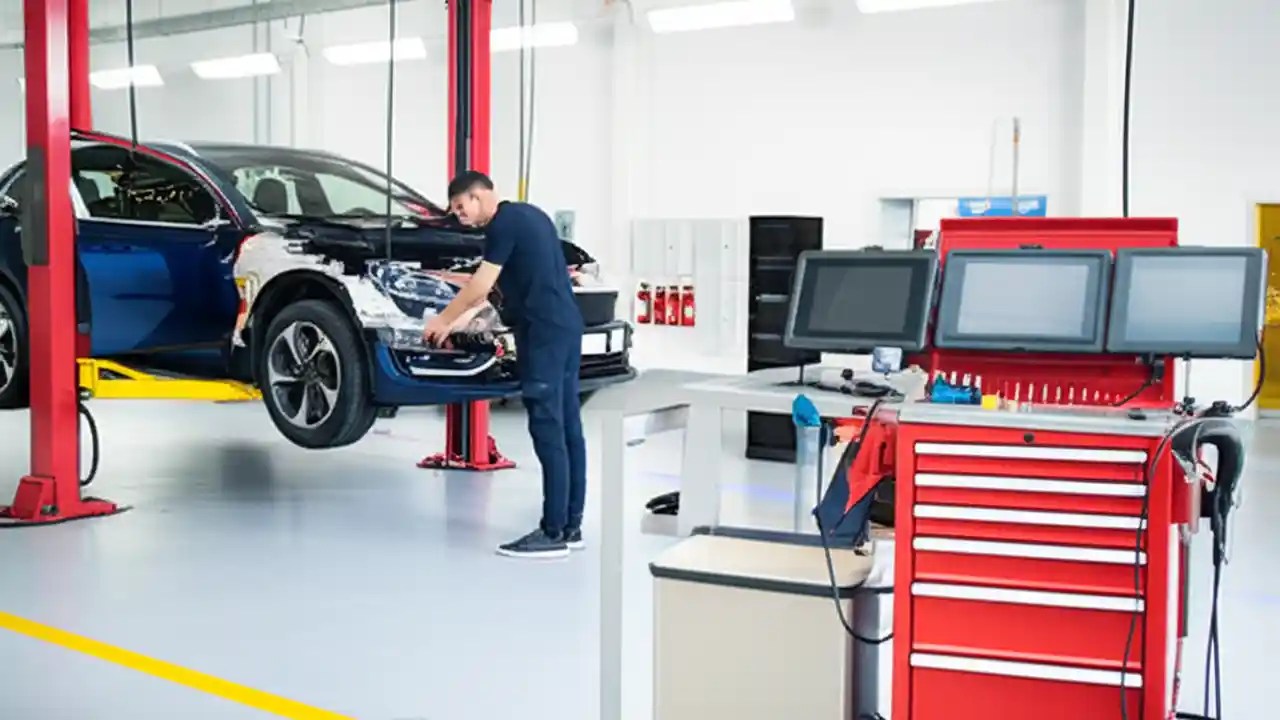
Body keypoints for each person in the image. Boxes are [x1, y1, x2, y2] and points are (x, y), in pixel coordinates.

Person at [422, 171, 587, 559]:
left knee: (547, 427)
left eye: (460, 207)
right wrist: (465, 318)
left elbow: (479, 286)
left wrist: (443, 320)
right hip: (565, 326)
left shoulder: (502, 225)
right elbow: (507, 283)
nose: (460, 216)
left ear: (478, 196)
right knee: (568, 427)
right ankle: (571, 526)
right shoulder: (531, 215)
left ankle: (552, 533)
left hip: (543, 335)